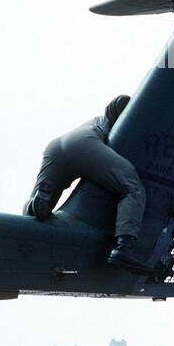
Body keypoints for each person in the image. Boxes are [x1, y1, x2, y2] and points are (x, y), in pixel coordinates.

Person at [24, 95, 149, 273]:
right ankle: (124, 247)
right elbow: (123, 107)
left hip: (56, 147)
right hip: (85, 145)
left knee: (38, 214)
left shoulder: (96, 119)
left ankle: (38, 203)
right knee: (132, 188)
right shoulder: (115, 124)